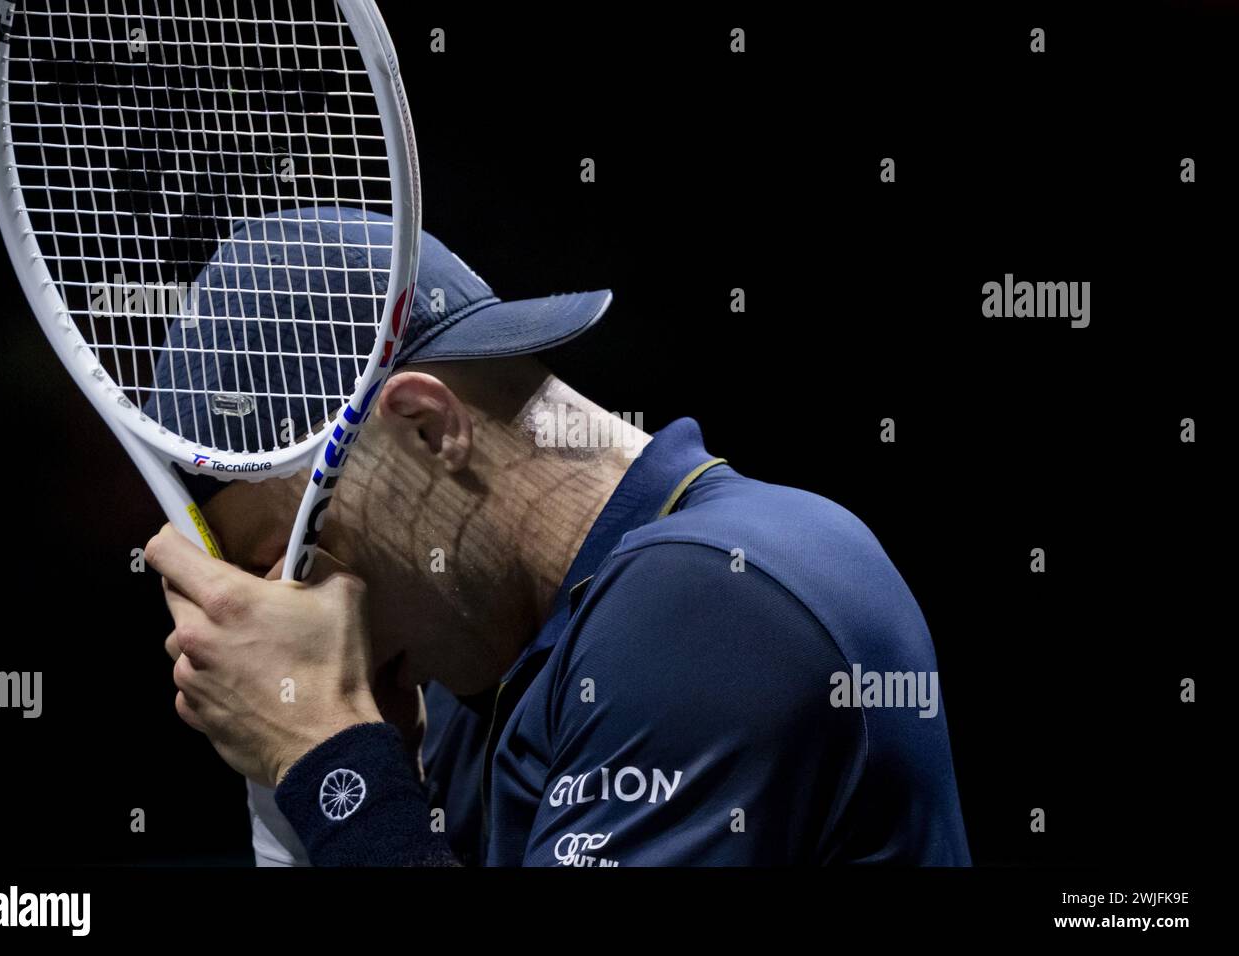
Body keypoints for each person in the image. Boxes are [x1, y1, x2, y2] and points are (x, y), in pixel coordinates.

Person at [143, 208, 972, 866]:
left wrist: (324, 760)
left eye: (295, 549)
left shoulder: (718, 598)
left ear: (428, 429)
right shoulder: (480, 694)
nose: (288, 608)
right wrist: (301, 793)